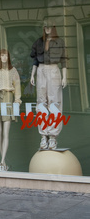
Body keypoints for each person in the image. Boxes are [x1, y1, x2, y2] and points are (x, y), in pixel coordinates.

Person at [30, 22, 67, 150]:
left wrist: (64, 76)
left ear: (54, 28)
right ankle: (43, 136)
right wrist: (32, 75)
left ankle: (53, 137)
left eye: (50, 26)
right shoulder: (38, 42)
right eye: (45, 26)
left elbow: (63, 60)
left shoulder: (59, 42)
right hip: (41, 70)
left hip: (54, 70)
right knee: (41, 103)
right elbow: (35, 60)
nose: (47, 29)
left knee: (54, 103)